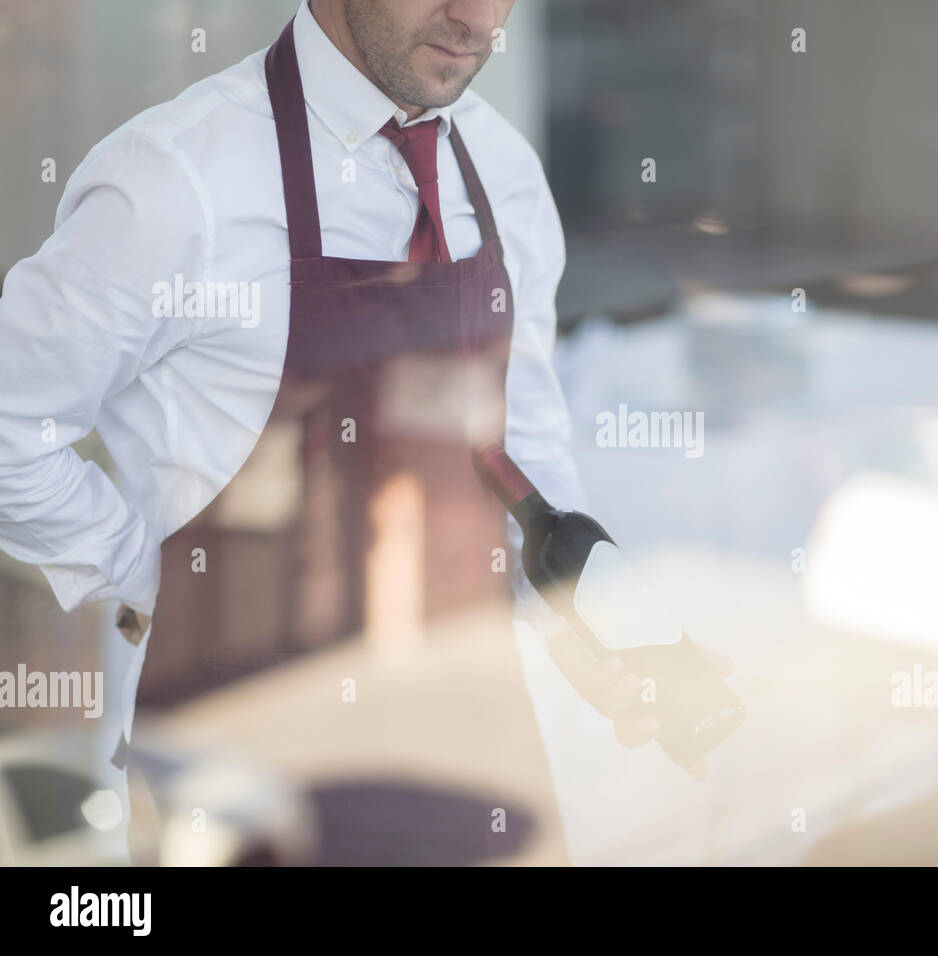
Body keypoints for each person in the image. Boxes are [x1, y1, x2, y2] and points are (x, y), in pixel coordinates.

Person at [0, 0, 694, 853]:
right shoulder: (172, 183)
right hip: (245, 769)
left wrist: (577, 622)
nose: (478, 15)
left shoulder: (507, 171)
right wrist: (150, 570)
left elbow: (525, 446)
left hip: (480, 757)